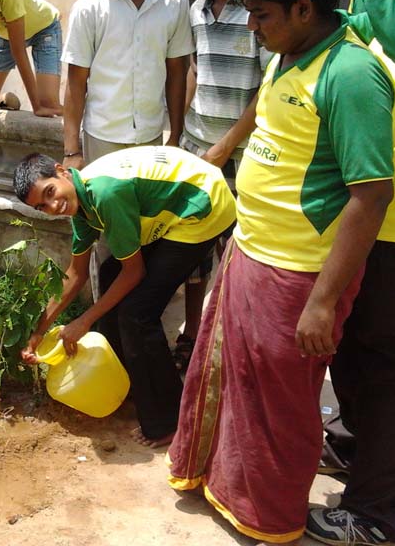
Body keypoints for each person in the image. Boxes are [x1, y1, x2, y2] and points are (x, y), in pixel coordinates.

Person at [167, 0, 395, 546]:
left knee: (282, 405)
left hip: (298, 272)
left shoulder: (350, 74)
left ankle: (269, 516)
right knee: (238, 383)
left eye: (262, 16)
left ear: (302, 9)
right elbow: (266, 122)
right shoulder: (288, 52)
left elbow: (371, 194)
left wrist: (323, 300)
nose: (253, 29)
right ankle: (229, 488)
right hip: (252, 251)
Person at [301, 0, 395, 543]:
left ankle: (378, 515)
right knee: (349, 352)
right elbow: (347, 29)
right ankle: (355, 450)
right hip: (373, 222)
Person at [14, 147, 235, 448]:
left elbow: (134, 274)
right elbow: (76, 274)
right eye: (43, 206)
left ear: (61, 171)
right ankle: (129, 381)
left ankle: (169, 421)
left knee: (136, 314)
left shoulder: (105, 194)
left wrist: (84, 321)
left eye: (50, 192)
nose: (54, 205)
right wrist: (38, 332)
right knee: (107, 275)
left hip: (202, 206)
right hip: (178, 198)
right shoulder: (81, 202)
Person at [62, 0, 194, 300]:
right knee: (107, 239)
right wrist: (72, 151)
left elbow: (177, 72)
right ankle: (108, 325)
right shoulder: (90, 8)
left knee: (148, 232)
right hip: (102, 140)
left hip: (151, 140)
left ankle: (140, 318)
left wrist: (175, 136)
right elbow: (75, 84)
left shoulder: (175, 0)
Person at [174, 0, 271, 371]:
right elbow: (196, 68)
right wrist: (181, 137)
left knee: (236, 253)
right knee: (192, 249)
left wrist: (229, 143)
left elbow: (268, 86)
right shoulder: (196, 9)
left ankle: (231, 341)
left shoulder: (256, 9)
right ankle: (192, 334)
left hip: (240, 154)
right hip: (199, 147)